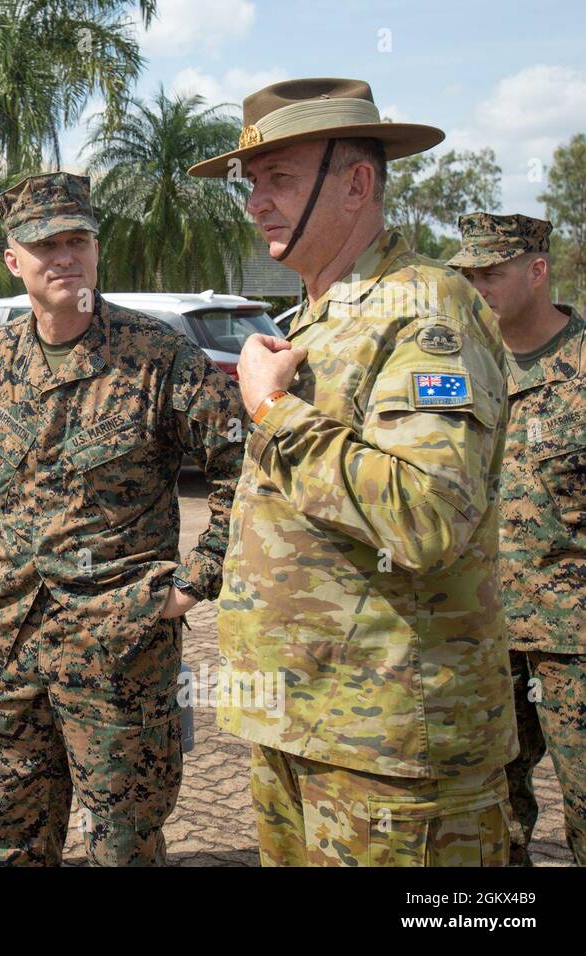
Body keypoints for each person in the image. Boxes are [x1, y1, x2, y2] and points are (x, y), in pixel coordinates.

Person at [188, 77, 516, 866]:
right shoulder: (315, 319)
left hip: (396, 748)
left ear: (357, 183)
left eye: (281, 178)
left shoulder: (426, 309)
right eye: (252, 183)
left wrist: (275, 413)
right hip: (304, 727)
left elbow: (426, 514)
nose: (256, 201)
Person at [0, 172, 245, 865]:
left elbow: (242, 472)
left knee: (123, 843)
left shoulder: (158, 358)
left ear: (97, 250)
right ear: (14, 260)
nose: (64, 257)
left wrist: (195, 580)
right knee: (6, 838)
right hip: (10, 645)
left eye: (78, 241)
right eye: (45, 245)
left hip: (120, 648)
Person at [449, 212, 586, 866]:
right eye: (467, 274)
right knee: (490, 807)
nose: (477, 287)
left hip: (575, 643)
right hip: (484, 634)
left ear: (537, 270)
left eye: (490, 272)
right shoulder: (458, 370)